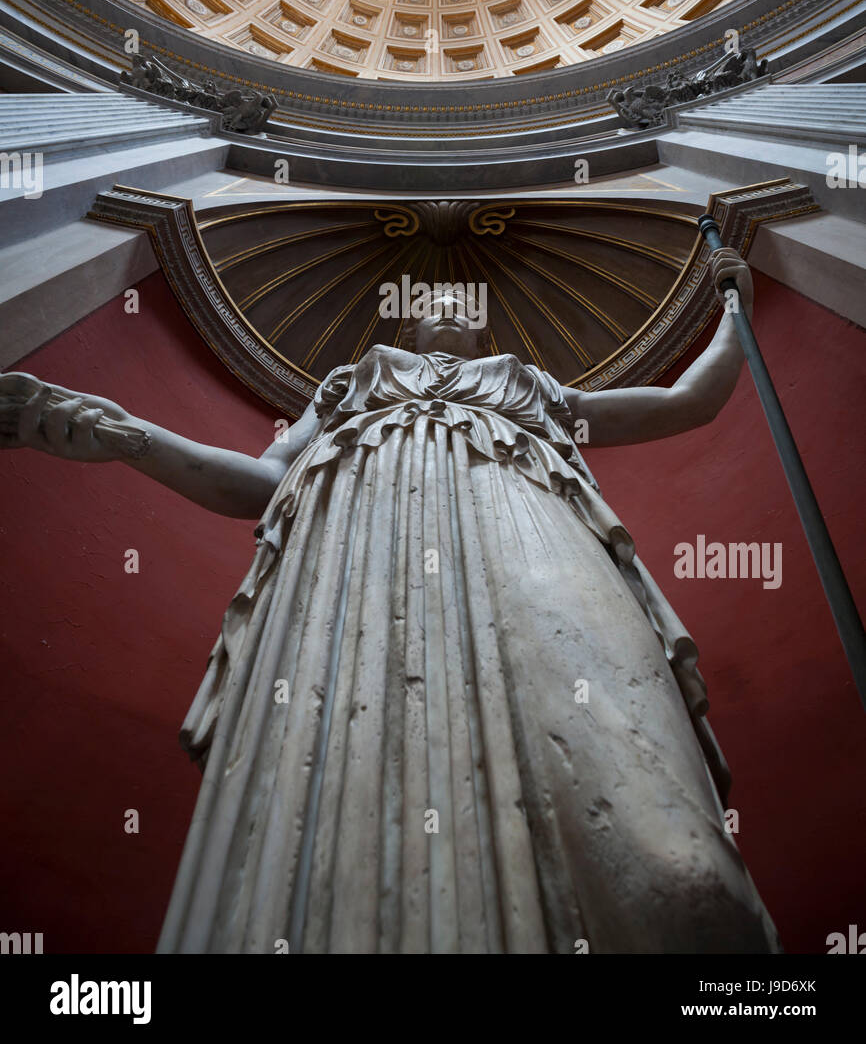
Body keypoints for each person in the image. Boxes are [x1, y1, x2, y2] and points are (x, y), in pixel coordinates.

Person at [2, 247, 781, 954]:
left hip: (527, 525)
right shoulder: (351, 384)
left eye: (461, 307)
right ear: (406, 330)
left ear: (484, 335)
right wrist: (125, 436)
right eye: (428, 305)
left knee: (678, 871)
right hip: (352, 566)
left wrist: (733, 313)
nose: (444, 309)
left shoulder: (529, 386)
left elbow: (690, 402)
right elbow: (259, 483)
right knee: (332, 800)